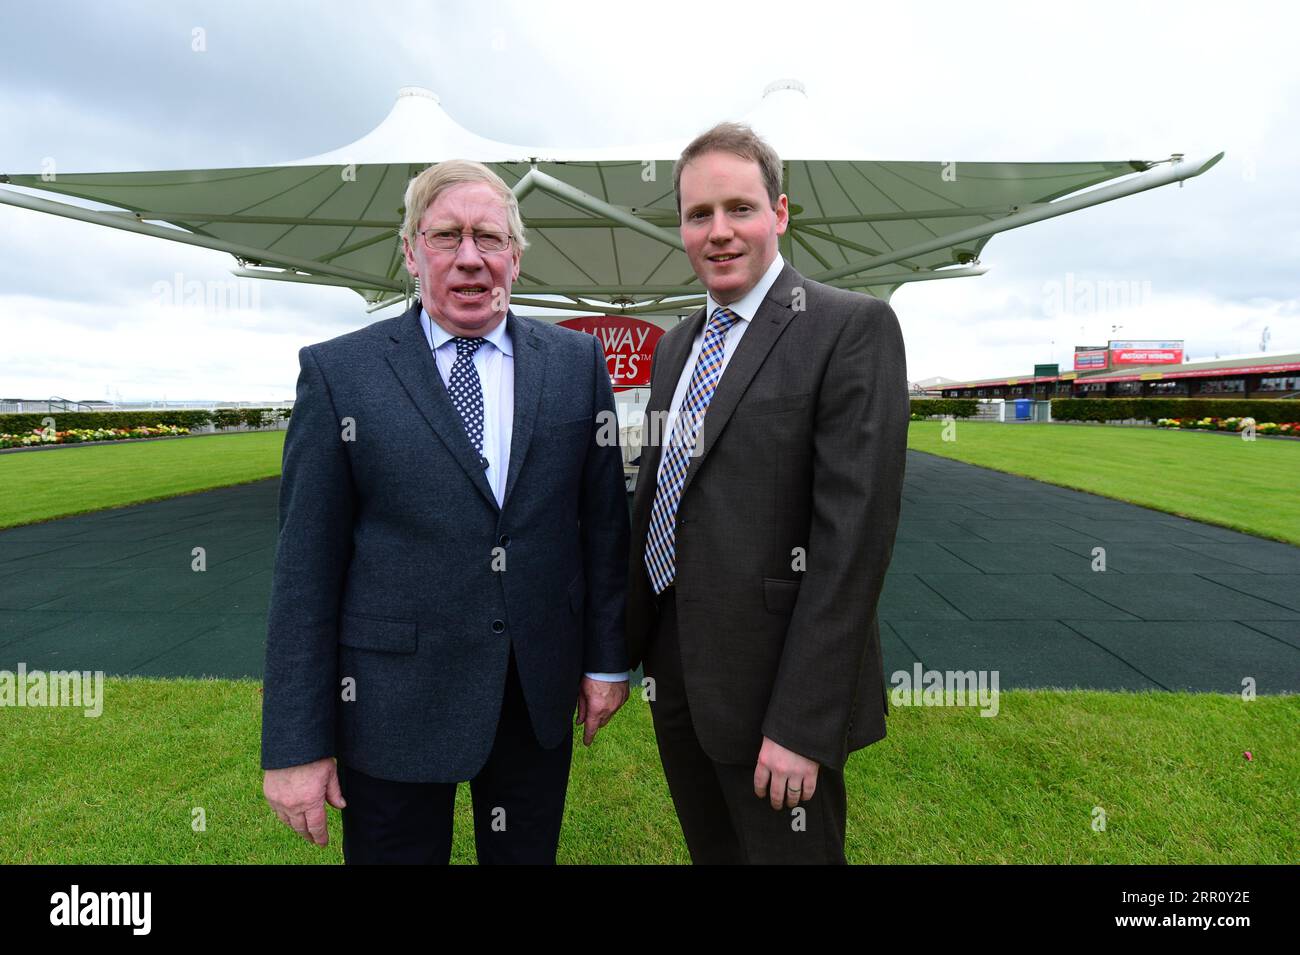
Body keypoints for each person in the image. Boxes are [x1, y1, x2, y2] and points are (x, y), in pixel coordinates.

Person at [261, 159, 630, 864]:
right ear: (411, 251)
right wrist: (296, 744)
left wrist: (608, 663)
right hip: (389, 705)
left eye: (488, 237)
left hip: (532, 695)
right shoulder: (341, 374)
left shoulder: (577, 364)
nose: (469, 258)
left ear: (515, 257)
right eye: (446, 236)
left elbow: (603, 527)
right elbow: (305, 570)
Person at [626, 123, 909, 864]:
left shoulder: (851, 328)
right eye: (698, 214)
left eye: (739, 208)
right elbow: (660, 500)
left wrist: (802, 723)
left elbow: (853, 546)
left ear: (780, 213)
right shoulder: (677, 345)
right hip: (679, 672)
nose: (718, 231)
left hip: (777, 694)